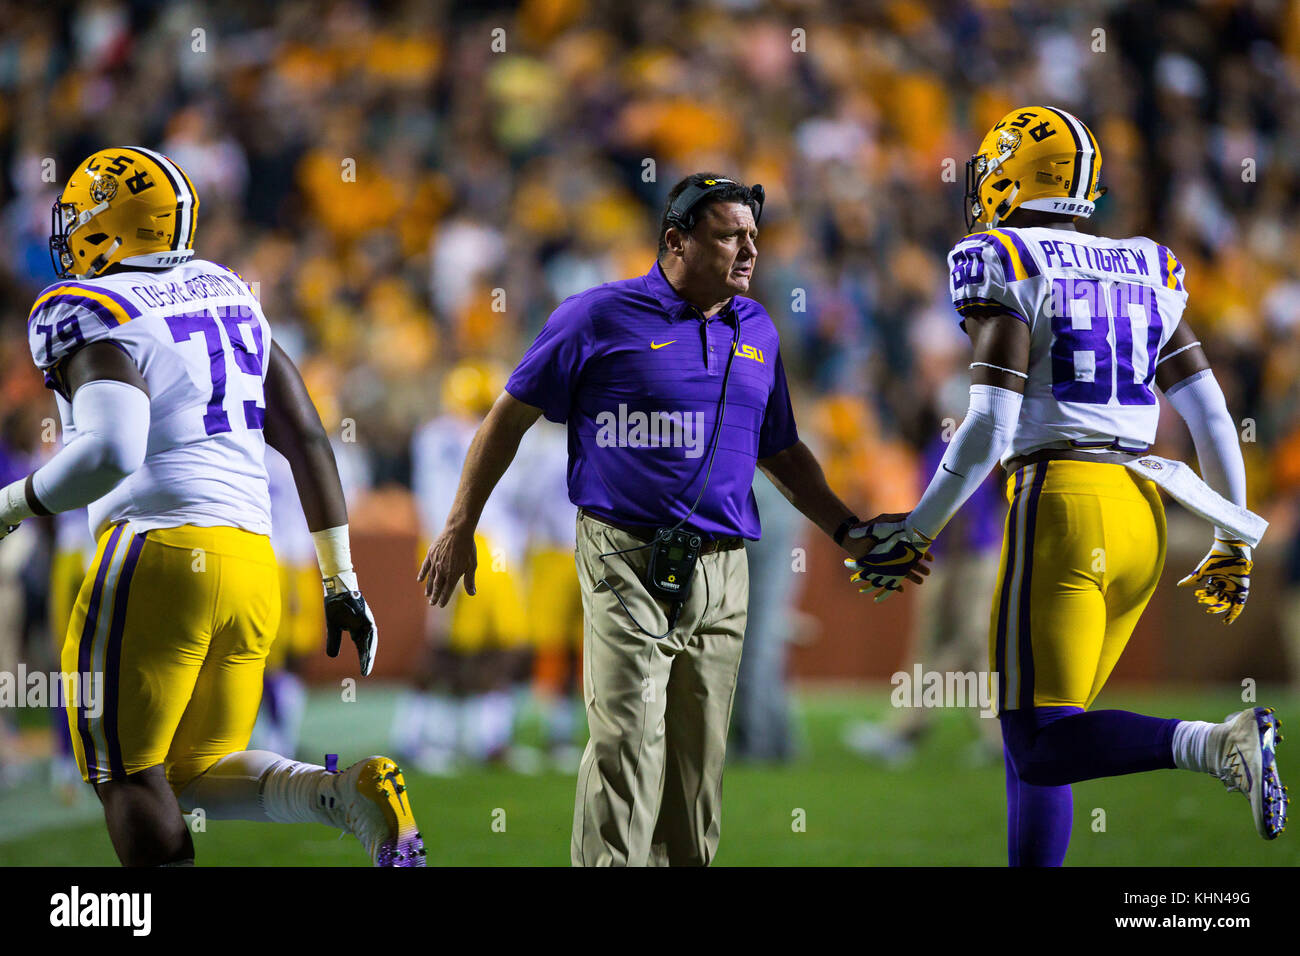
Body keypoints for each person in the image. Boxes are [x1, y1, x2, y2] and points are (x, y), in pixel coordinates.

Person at [846, 107, 1288, 865]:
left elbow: (987, 424)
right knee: (1048, 735)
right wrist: (1232, 534)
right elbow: (1213, 412)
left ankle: (1219, 744)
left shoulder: (1006, 257)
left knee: (1042, 743)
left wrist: (915, 529)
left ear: (1013, 172)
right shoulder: (1147, 263)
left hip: (1063, 507)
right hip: (1143, 515)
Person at [419, 173, 894, 866]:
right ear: (675, 240)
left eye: (754, 237)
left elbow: (782, 450)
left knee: (696, 773)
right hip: (625, 558)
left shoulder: (757, 326)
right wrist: (461, 525)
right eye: (730, 235)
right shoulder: (595, 316)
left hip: (725, 569)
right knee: (628, 745)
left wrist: (849, 530)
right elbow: (506, 418)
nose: (749, 251)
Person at [3, 147, 423, 866]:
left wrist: (9, 504)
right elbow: (307, 436)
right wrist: (340, 580)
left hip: (156, 555)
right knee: (193, 772)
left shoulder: (86, 306)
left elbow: (110, 450)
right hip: (250, 561)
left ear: (109, 225)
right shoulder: (223, 287)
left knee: (127, 774)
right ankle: (343, 792)